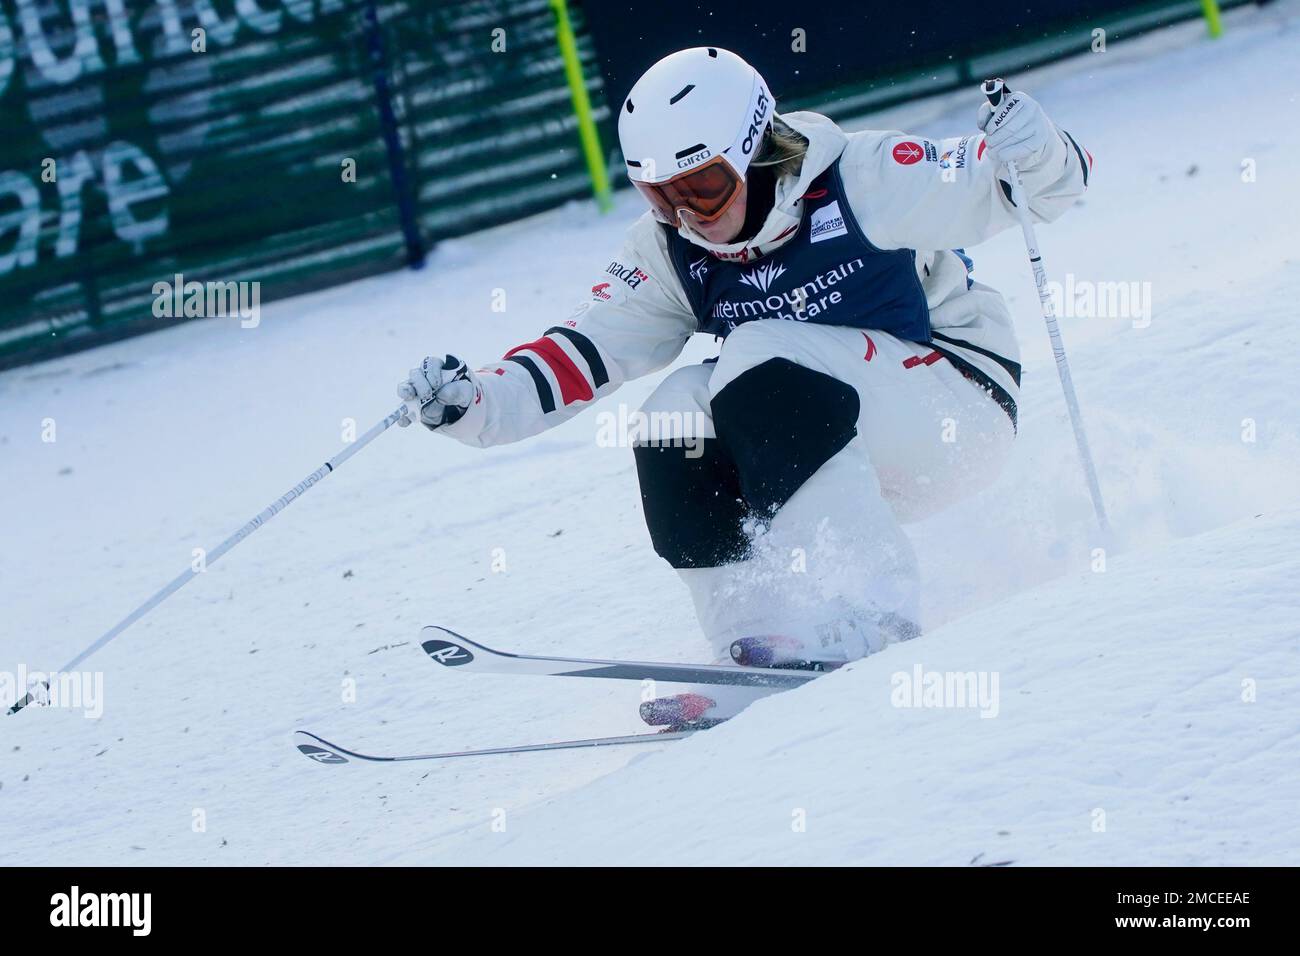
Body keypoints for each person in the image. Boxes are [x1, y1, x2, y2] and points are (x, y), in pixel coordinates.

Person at [396, 47, 1092, 729]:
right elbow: (586, 347)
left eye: (702, 186)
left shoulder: (862, 177)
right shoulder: (669, 249)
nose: (688, 214)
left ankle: (872, 610)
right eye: (660, 196)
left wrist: (1037, 148)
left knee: (758, 348)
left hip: (956, 410)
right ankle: (757, 639)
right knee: (671, 414)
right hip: (844, 447)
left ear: (756, 149)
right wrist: (477, 403)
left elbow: (1044, 185)